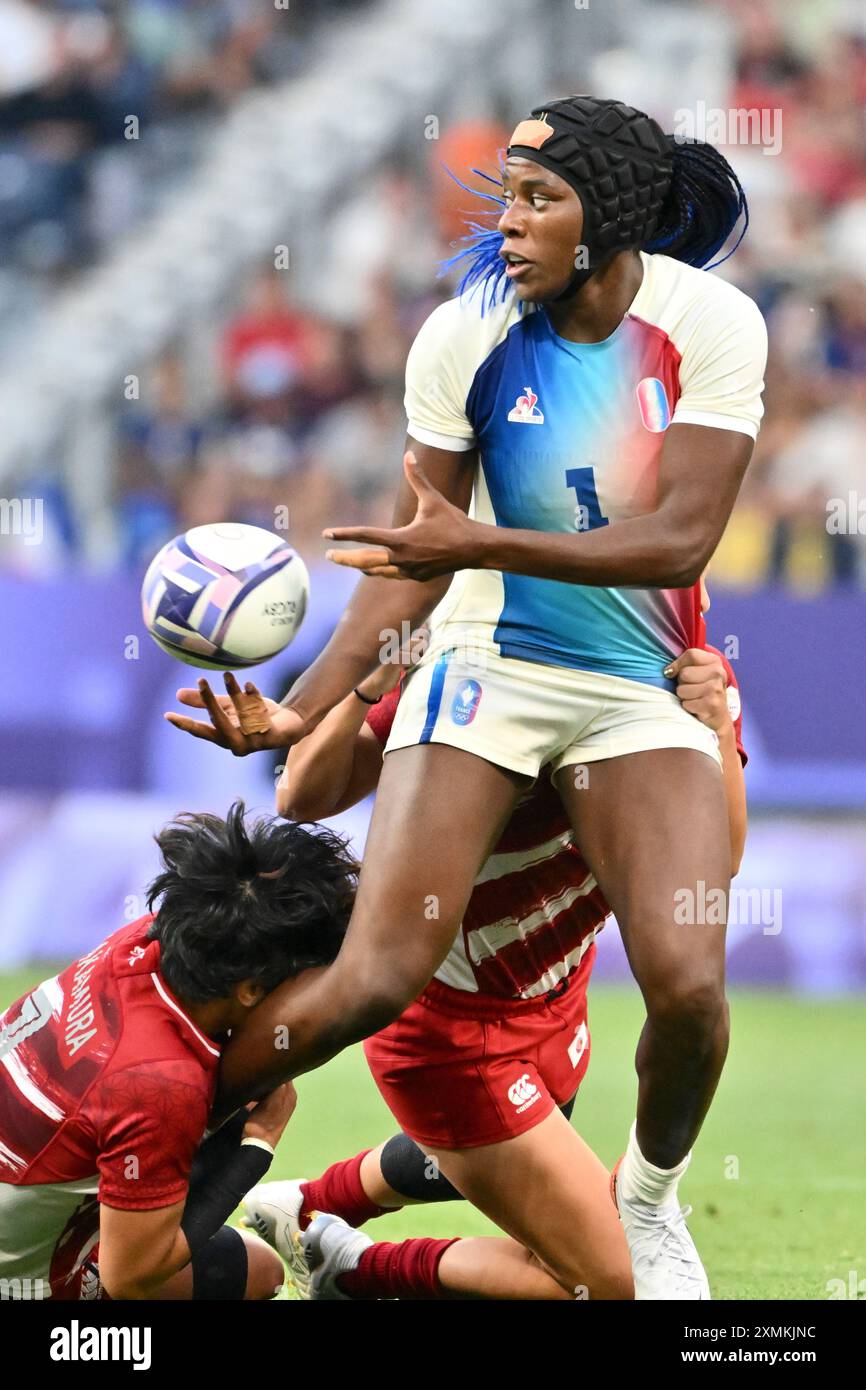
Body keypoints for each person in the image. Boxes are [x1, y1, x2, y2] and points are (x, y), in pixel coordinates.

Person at [167, 95, 767, 1299]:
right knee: (379, 971)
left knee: (692, 989)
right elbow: (408, 571)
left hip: (627, 683)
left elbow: (680, 541)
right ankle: (153, 1146)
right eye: (505, 196)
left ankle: (646, 1200)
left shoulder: (708, 324)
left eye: (540, 201)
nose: (509, 224)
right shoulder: (462, 337)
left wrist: (480, 540)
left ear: (610, 219)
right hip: (489, 666)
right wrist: (306, 703)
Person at [241, 599, 747, 1300]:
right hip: (451, 1026)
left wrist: (719, 728)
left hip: (554, 991)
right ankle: (351, 1269)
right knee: (615, 1284)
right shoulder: (479, 669)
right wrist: (373, 682)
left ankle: (317, 1204)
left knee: (510, 1168)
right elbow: (299, 792)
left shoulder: (687, 677)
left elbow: (715, 865)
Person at [0, 802, 355, 1300]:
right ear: (251, 988)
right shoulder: (158, 1082)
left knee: (255, 1268)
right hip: (26, 1285)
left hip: (31, 1210)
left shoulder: (141, 942)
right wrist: (256, 1148)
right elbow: (132, 1279)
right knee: (255, 1276)